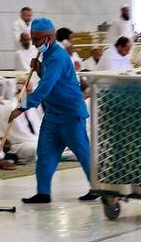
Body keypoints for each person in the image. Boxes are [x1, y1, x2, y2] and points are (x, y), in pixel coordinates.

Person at [7, 17, 99, 204]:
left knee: (83, 153)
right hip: (53, 115)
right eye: (32, 39)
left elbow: (45, 87)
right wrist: (40, 68)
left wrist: (22, 107)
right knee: (45, 154)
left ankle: (98, 188)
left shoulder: (57, 56)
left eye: (37, 39)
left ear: (49, 39)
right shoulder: (47, 55)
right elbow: (51, 79)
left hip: (71, 115)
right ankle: (43, 192)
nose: (33, 43)